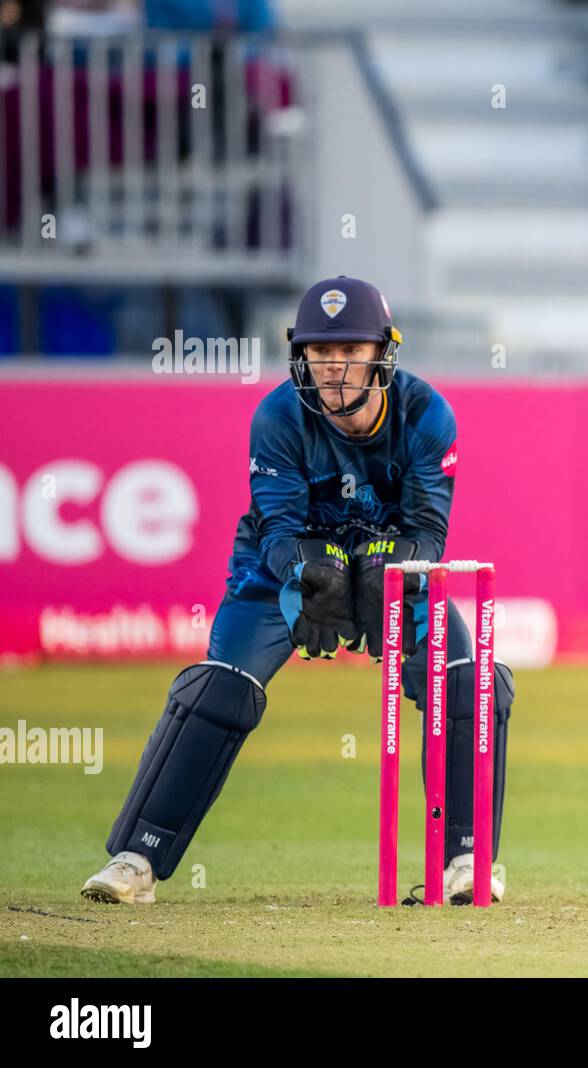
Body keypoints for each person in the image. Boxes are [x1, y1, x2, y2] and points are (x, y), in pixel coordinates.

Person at [80, 276, 514, 906]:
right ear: (300, 356)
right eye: (319, 353)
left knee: (471, 682)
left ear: (382, 354)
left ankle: (466, 862)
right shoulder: (279, 415)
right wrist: (309, 576)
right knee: (217, 690)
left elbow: (428, 534)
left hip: (395, 572)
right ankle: (136, 860)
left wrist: (379, 573)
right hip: (283, 569)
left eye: (350, 353)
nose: (333, 369)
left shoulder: (426, 415)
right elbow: (278, 528)